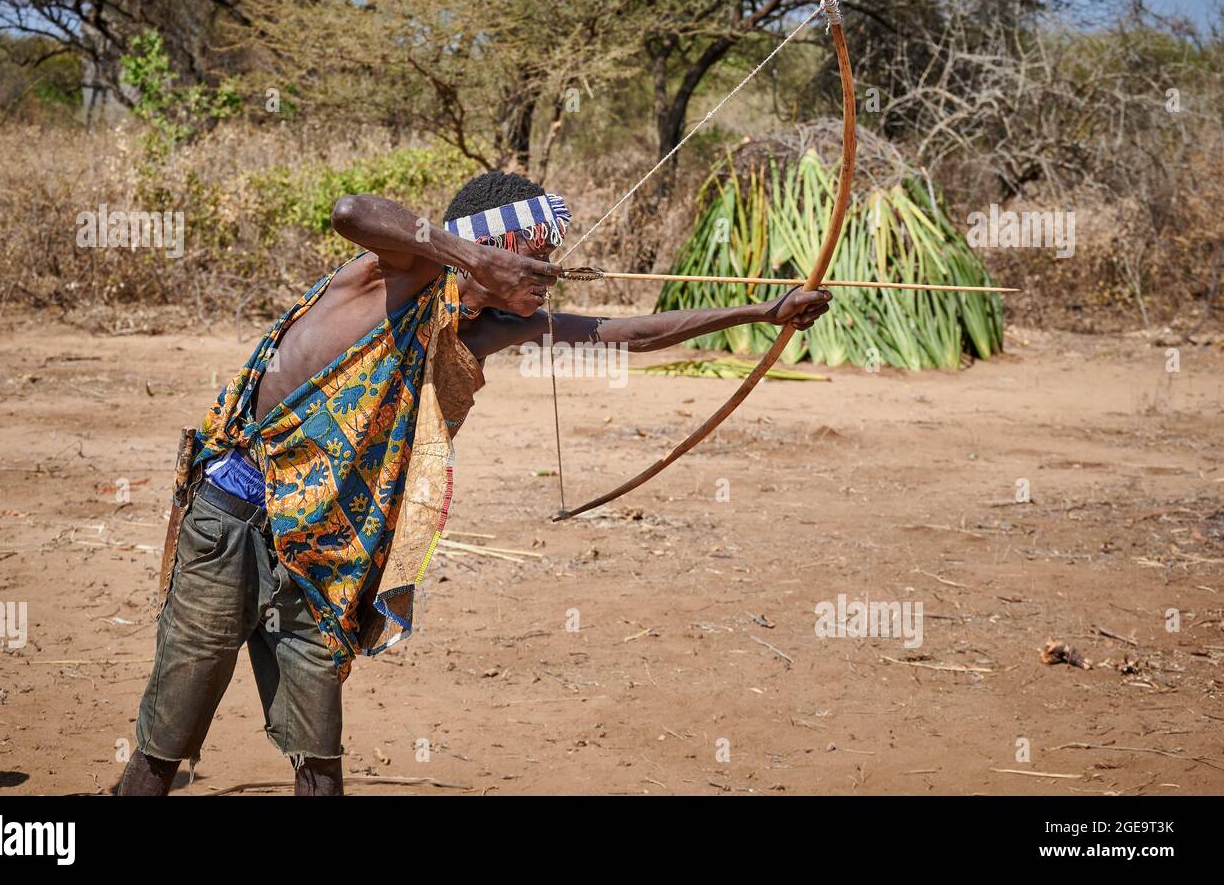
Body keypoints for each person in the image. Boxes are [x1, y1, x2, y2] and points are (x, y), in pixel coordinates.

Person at [117, 171, 831, 795]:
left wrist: (761, 313)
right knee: (166, 738)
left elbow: (625, 333)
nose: (550, 268)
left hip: (318, 552)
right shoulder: (397, 271)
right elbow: (349, 209)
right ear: (505, 246)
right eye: (540, 253)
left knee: (320, 755)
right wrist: (467, 254)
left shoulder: (479, 327)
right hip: (232, 516)